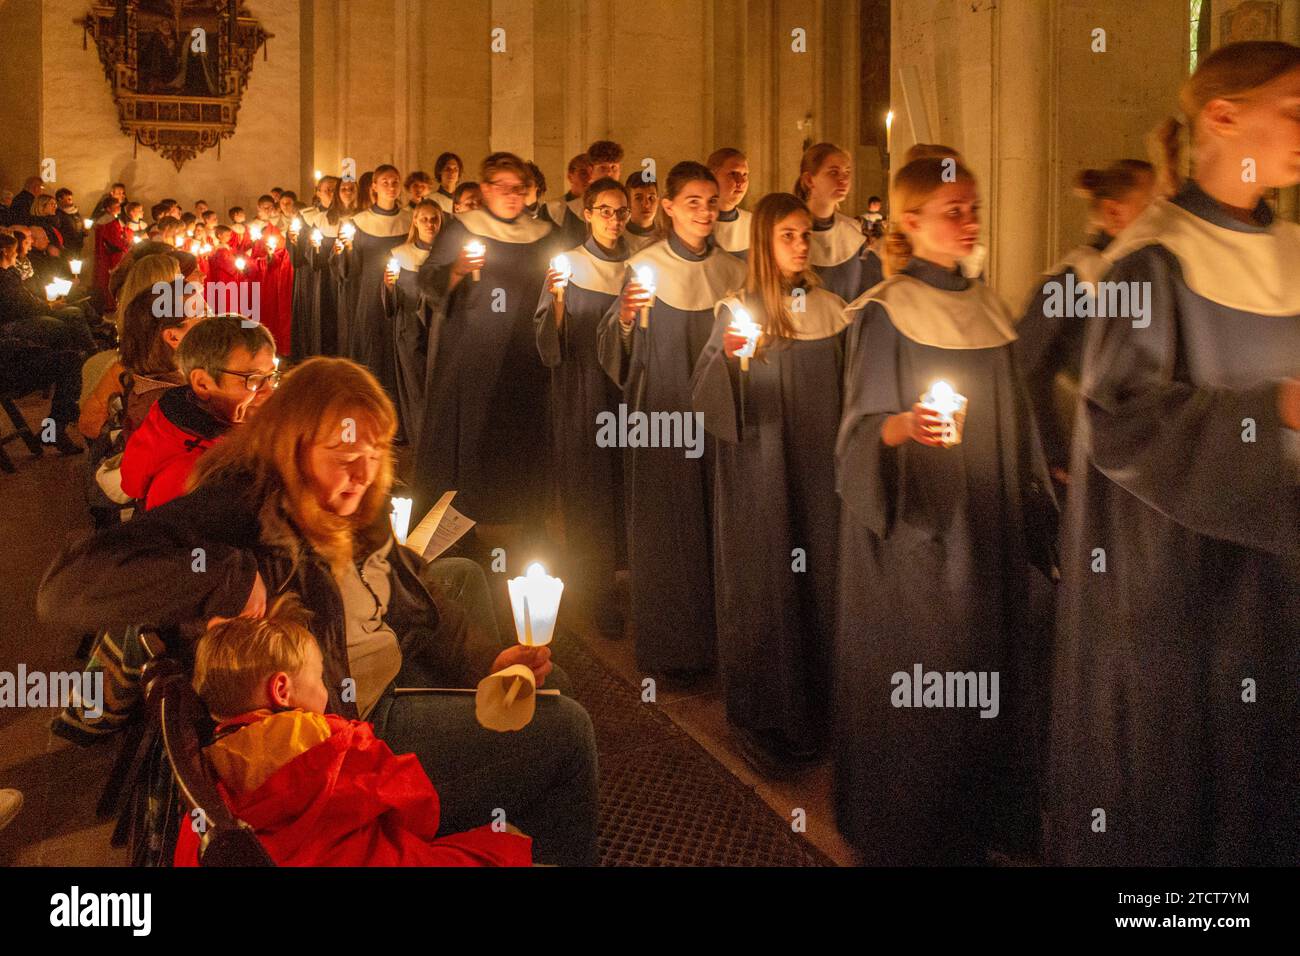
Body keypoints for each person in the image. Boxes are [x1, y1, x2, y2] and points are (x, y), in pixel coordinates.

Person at [38, 358, 599, 866]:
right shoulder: (239, 507)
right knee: (566, 733)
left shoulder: (353, 499)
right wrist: (223, 579)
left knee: (545, 678)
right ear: (295, 444)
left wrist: (488, 660)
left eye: (376, 451)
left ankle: (494, 827)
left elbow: (412, 595)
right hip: (338, 735)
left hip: (379, 673)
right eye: (345, 454)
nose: (363, 471)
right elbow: (64, 589)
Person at [1046, 40, 1300, 867]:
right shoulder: (1152, 257)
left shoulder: (1292, 250)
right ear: (1223, 118)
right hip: (1182, 581)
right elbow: (1122, 419)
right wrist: (1280, 411)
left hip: (1280, 569)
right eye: (1293, 111)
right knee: (1182, 788)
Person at [833, 156, 1057, 865]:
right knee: (932, 672)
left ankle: (989, 813)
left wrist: (1037, 480)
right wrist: (903, 427)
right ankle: (912, 824)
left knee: (991, 665)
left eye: (974, 207)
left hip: (989, 519)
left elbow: (1016, 418)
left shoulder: (990, 306)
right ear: (910, 220)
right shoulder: (887, 311)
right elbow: (857, 438)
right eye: (953, 209)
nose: (969, 221)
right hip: (920, 535)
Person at [173, 599, 533, 867]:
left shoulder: (215, 764)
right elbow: (412, 799)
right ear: (282, 690)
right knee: (502, 847)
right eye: (317, 678)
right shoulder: (325, 740)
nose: (326, 691)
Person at [691, 192, 849, 774]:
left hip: (819, 475)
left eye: (806, 234)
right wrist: (731, 361)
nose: (801, 245)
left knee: (820, 586)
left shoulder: (832, 310)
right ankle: (765, 717)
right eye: (788, 235)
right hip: (759, 474)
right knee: (768, 586)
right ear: (764, 241)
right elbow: (705, 395)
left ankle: (821, 712)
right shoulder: (736, 310)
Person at [598, 160, 746, 678]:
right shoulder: (644, 267)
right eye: (692, 202)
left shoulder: (734, 270)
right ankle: (673, 651)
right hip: (661, 415)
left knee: (717, 526)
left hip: (718, 420)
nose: (705, 212)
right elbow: (613, 348)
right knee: (668, 529)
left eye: (711, 202)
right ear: (667, 206)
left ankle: (721, 647)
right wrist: (624, 319)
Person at [413, 153, 555, 542]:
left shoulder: (544, 233)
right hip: (474, 352)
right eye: (502, 187)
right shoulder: (462, 229)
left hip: (526, 355)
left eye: (519, 188)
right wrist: (457, 268)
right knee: (472, 435)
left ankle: (521, 515)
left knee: (521, 435)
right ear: (487, 189)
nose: (511, 195)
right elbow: (428, 281)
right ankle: (461, 524)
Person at [1016, 160, 1155, 490]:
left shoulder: (1148, 273)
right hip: (1090, 454)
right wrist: (1054, 457)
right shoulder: (1074, 279)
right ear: (1114, 213)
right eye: (1153, 206)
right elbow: (1027, 369)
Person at [533, 177, 633, 629]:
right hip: (584, 390)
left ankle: (628, 575)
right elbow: (549, 342)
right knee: (590, 488)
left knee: (627, 485)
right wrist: (556, 301)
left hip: (630, 393)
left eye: (621, 211)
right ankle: (595, 590)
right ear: (588, 214)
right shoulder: (568, 265)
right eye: (605, 211)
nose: (614, 220)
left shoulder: (640, 265)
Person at [121, 316, 277, 510]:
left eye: (271, 376)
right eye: (253, 379)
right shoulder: (188, 481)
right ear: (202, 383)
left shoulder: (236, 427)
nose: (269, 392)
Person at [334, 164, 411, 383]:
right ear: (374, 187)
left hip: (402, 292)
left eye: (395, 182)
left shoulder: (410, 219)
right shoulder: (359, 222)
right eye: (385, 182)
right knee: (372, 343)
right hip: (369, 292)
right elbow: (348, 269)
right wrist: (347, 249)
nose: (391, 187)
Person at [382, 198, 443, 442]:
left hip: (441, 331)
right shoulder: (400, 254)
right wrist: (389, 286)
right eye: (424, 219)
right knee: (416, 389)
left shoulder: (449, 256)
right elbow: (392, 299)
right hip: (410, 331)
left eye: (434, 219)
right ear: (415, 221)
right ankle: (421, 442)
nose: (430, 224)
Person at [796, 142, 882, 300]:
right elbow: (794, 293)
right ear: (809, 180)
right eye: (833, 172)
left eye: (847, 172)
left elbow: (867, 292)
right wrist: (800, 315)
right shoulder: (790, 232)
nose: (843, 179)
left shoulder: (854, 232)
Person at [293, 174, 344, 359]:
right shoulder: (307, 216)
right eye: (327, 189)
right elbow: (299, 254)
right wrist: (295, 241)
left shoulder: (349, 217)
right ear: (318, 192)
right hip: (316, 275)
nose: (331, 193)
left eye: (334, 189)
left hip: (340, 275)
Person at [707, 148, 752, 259]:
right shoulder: (696, 223)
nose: (741, 182)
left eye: (745, 174)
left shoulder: (753, 223)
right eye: (733, 173)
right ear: (712, 176)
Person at [542, 152, 593, 246]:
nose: (590, 179)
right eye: (583, 173)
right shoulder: (551, 210)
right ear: (570, 177)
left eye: (593, 173)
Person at [92, 197, 130, 311]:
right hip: (111, 256)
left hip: (105, 255)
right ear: (108, 209)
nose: (119, 208)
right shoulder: (109, 222)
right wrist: (126, 246)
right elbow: (115, 241)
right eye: (116, 206)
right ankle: (111, 304)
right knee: (111, 279)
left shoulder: (108, 220)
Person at [623, 171, 659, 254]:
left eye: (651, 198)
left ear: (658, 201)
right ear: (628, 202)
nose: (646, 204)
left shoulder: (666, 239)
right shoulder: (618, 239)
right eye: (638, 198)